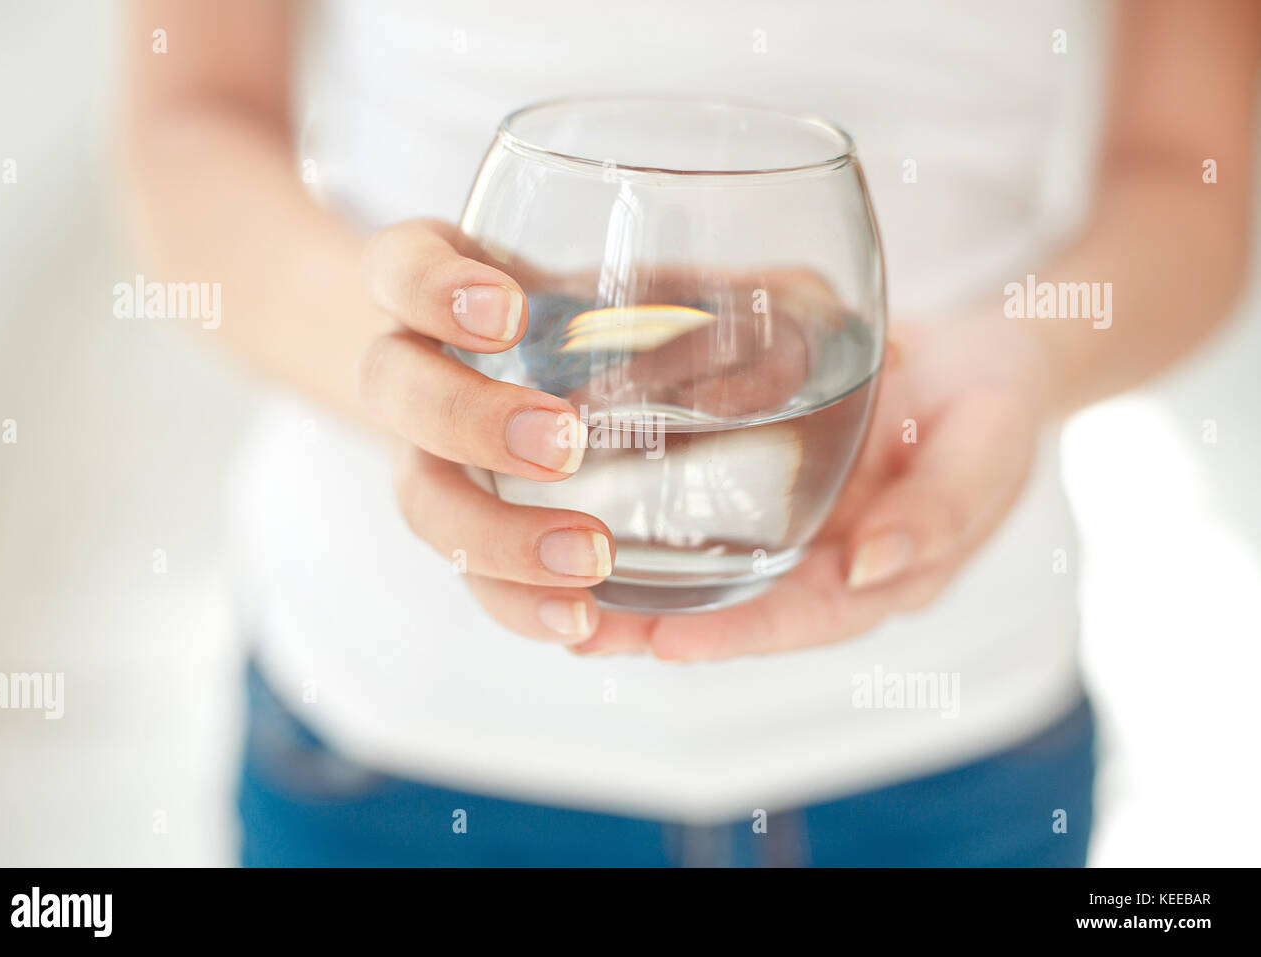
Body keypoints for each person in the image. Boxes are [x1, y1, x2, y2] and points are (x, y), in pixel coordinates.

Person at [120, 0, 1260, 866]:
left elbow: (1190, 173)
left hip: (956, 744)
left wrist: (1024, 355)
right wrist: (404, 366)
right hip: (393, 742)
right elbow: (191, 116)